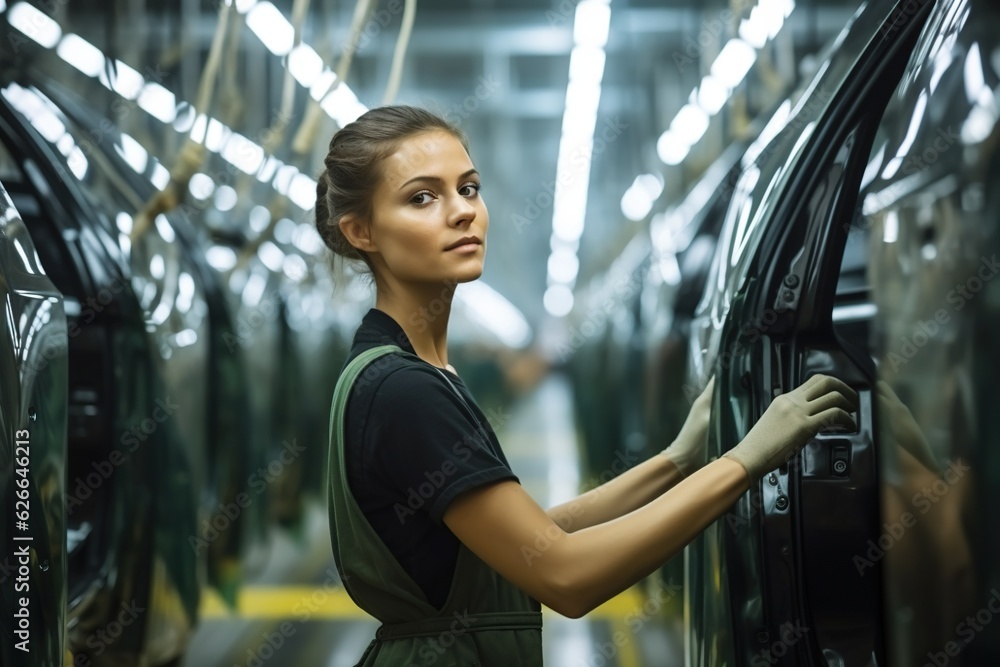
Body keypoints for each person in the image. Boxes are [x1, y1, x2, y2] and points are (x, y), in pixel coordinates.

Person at [315, 105, 858, 666]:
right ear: (361, 231)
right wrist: (747, 459)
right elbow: (566, 575)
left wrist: (679, 458)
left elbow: (529, 538)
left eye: (469, 189)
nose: (462, 213)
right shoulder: (405, 392)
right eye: (422, 198)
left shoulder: (414, 372)